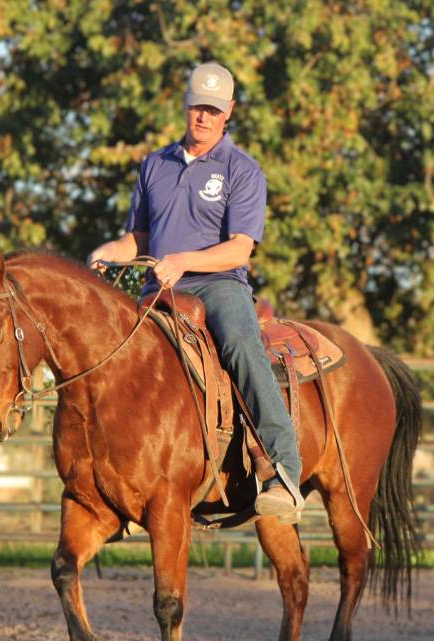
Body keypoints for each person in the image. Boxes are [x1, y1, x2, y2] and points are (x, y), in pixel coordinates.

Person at [87, 62, 303, 519]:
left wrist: (184, 261)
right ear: (184, 106)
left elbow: (240, 250)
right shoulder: (155, 165)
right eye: (196, 108)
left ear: (228, 113)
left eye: (212, 110)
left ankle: (283, 470)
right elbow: (141, 239)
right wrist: (111, 250)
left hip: (217, 286)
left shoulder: (242, 170)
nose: (202, 117)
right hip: (156, 290)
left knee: (243, 347)